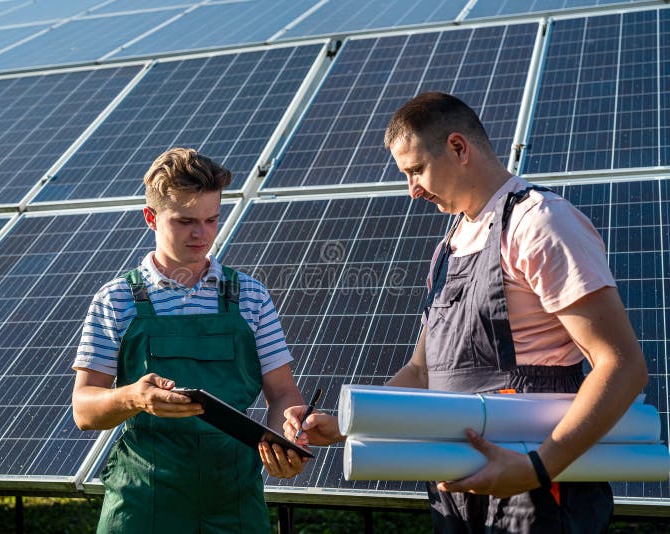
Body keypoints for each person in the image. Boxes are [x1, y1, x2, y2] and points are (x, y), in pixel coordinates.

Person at [284, 92, 648, 532]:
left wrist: (538, 466)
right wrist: (345, 423)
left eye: (416, 170)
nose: (412, 190)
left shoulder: (541, 223)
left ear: (458, 148)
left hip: (535, 487)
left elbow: (622, 365)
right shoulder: (448, 247)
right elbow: (423, 372)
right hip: (455, 487)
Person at [72, 147, 307, 533]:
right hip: (143, 502)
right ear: (151, 217)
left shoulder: (250, 295)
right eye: (185, 222)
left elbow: (282, 392)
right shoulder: (115, 299)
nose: (201, 234)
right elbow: (84, 409)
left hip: (234, 503)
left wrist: (287, 439)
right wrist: (133, 397)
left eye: (211, 219)